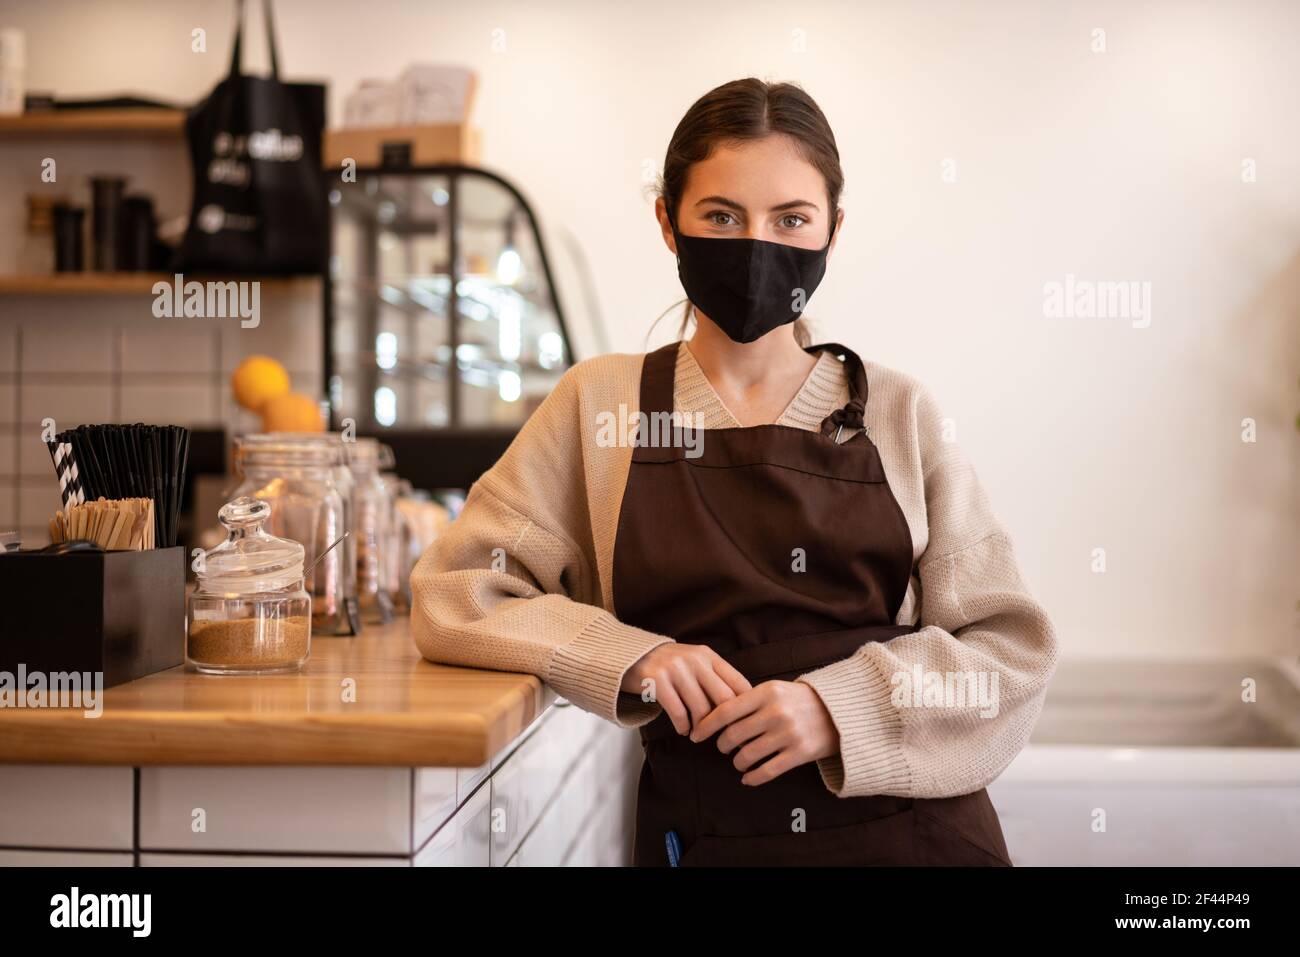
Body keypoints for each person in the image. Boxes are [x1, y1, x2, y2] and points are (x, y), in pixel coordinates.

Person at [410, 77, 1059, 866]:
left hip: (917, 841)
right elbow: (456, 591)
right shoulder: (601, 404)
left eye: (791, 219)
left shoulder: (897, 410)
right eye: (721, 216)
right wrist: (627, 654)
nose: (758, 244)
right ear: (667, 223)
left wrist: (840, 710)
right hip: (707, 840)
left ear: (832, 231)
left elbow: (1008, 650)